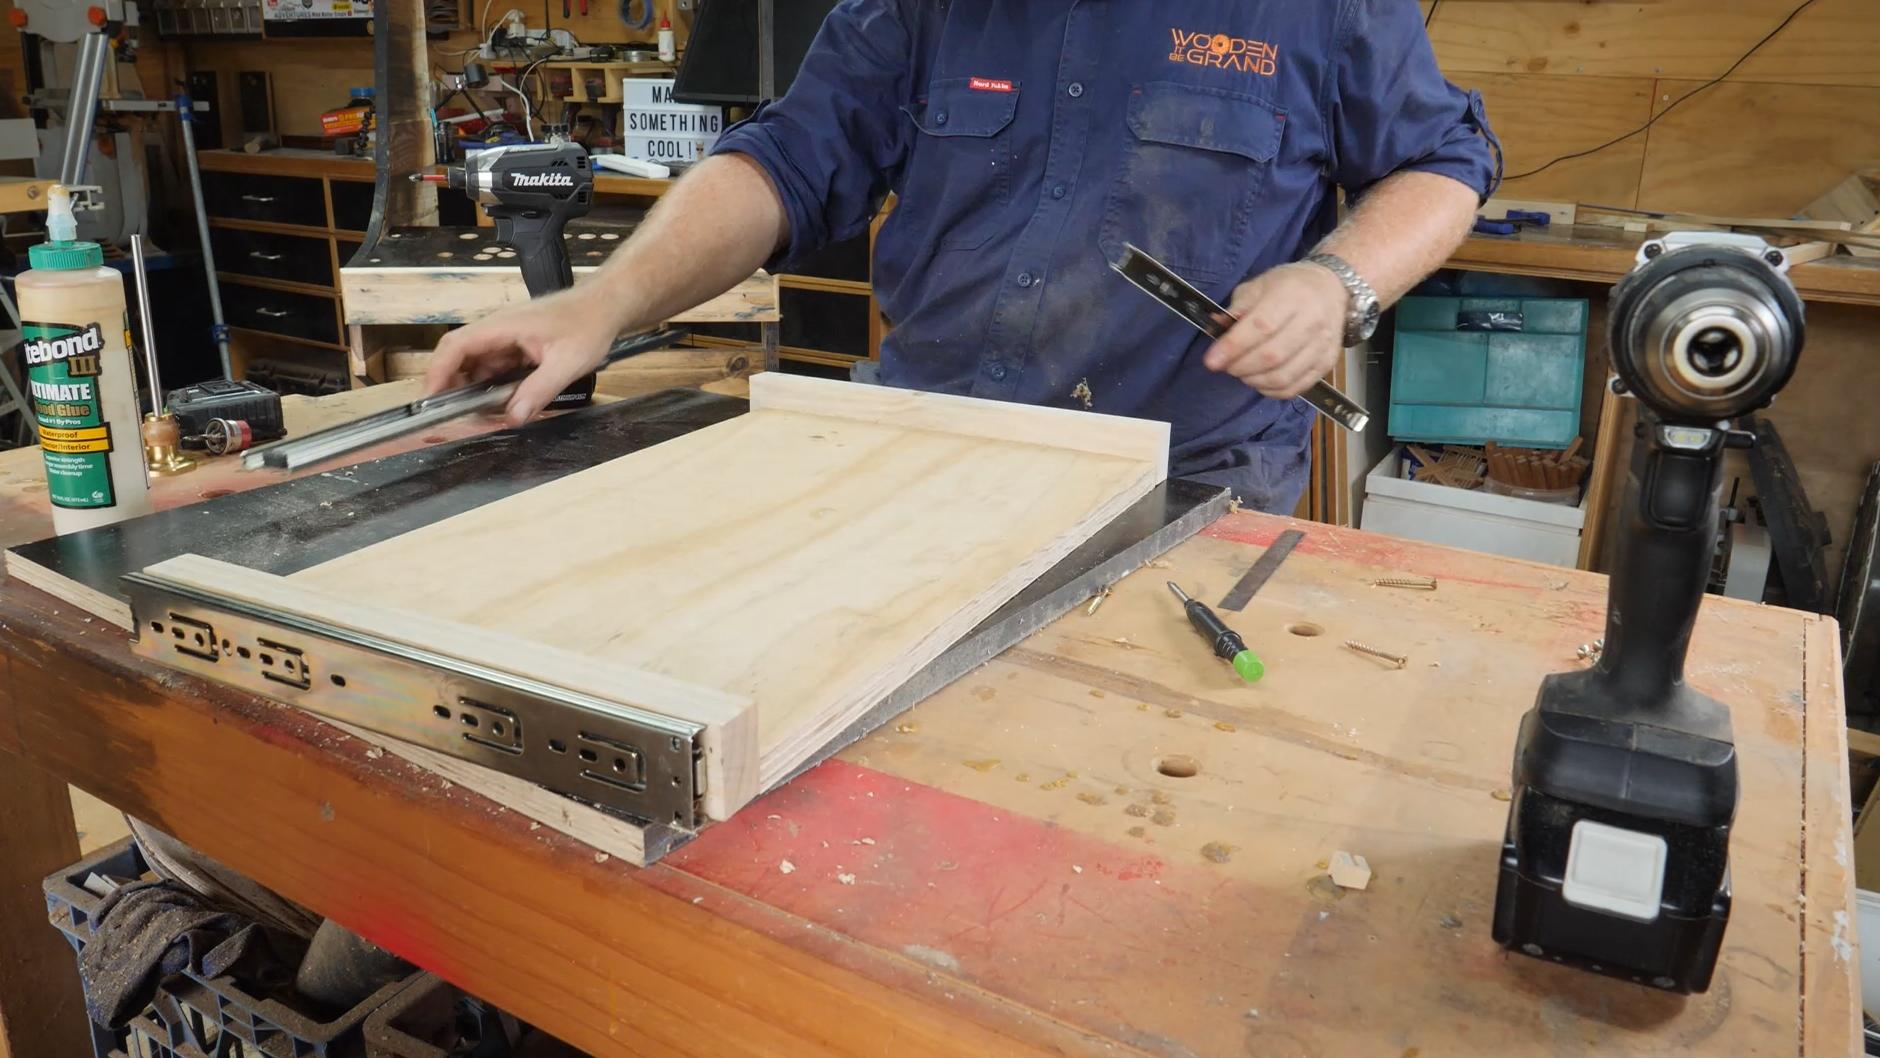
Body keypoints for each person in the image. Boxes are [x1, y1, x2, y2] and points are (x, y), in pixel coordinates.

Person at [427, 0, 1500, 512]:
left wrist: (1335, 281)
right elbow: (785, 161)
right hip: (925, 449)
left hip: (1182, 482)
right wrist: (603, 302)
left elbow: (1444, 158)